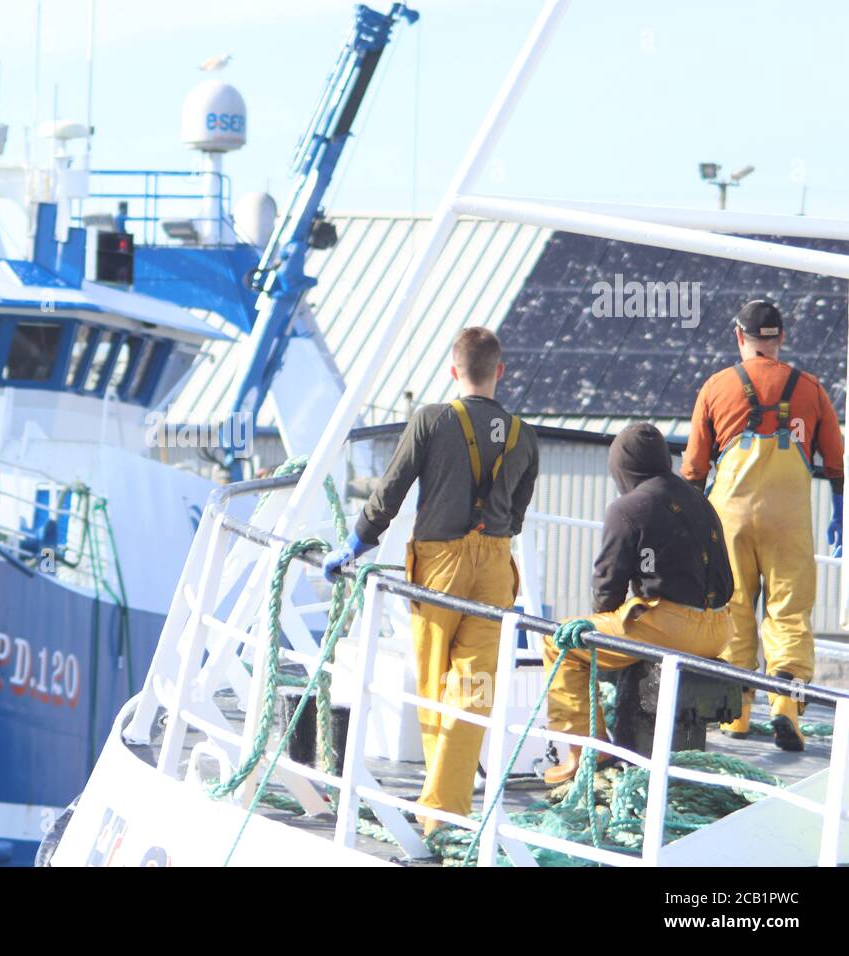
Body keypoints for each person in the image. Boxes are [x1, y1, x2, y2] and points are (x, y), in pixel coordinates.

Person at [323, 327, 539, 832]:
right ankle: (444, 809)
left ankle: (436, 806)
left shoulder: (431, 420)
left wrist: (355, 544)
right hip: (495, 566)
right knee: (474, 687)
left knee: (434, 681)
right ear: (500, 371)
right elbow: (519, 511)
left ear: (453, 370)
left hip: (439, 565)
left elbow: (390, 491)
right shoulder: (524, 435)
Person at [681, 300, 844, 751]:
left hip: (729, 517)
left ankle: (737, 714)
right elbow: (835, 462)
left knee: (733, 607)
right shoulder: (810, 389)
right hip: (788, 517)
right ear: (781, 339)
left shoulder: (716, 387)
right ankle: (786, 706)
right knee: (789, 612)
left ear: (739, 338)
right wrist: (838, 513)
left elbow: (694, 467)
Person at [544, 423, 733, 783]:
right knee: (620, 625)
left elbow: (606, 591)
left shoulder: (628, 508)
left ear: (622, 467)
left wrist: (602, 626)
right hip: (721, 627)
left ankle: (587, 754)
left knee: (561, 643)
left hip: (672, 627)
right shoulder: (699, 500)